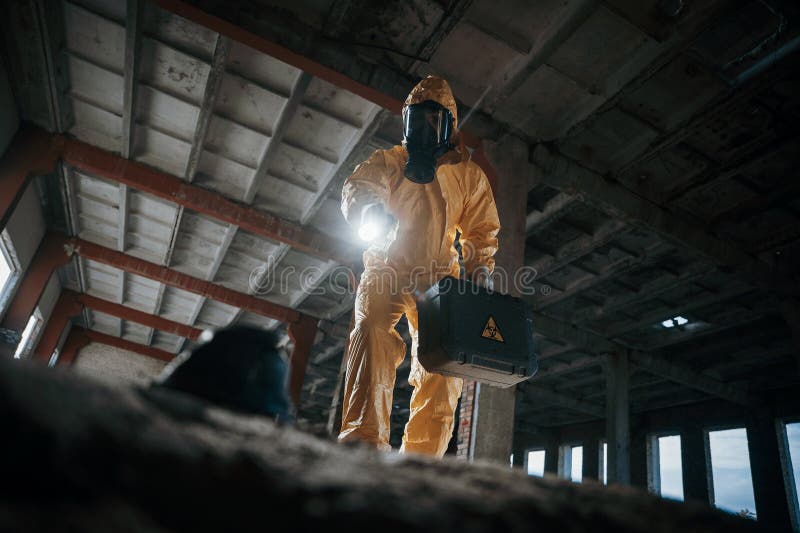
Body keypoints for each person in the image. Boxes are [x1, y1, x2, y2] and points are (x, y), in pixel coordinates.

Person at [338, 75, 500, 457]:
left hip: (441, 280)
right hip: (387, 268)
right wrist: (369, 211)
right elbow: (359, 188)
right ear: (407, 121)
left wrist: (479, 270)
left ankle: (423, 458)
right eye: (418, 118)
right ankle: (363, 444)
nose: (426, 127)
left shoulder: (468, 175)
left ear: (449, 126)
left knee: (443, 369)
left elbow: (481, 228)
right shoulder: (389, 162)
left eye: (435, 120)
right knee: (371, 332)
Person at [154, 325, 295, 425]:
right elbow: (278, 407)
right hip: (214, 403)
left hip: (191, 397)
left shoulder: (269, 358)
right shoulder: (271, 357)